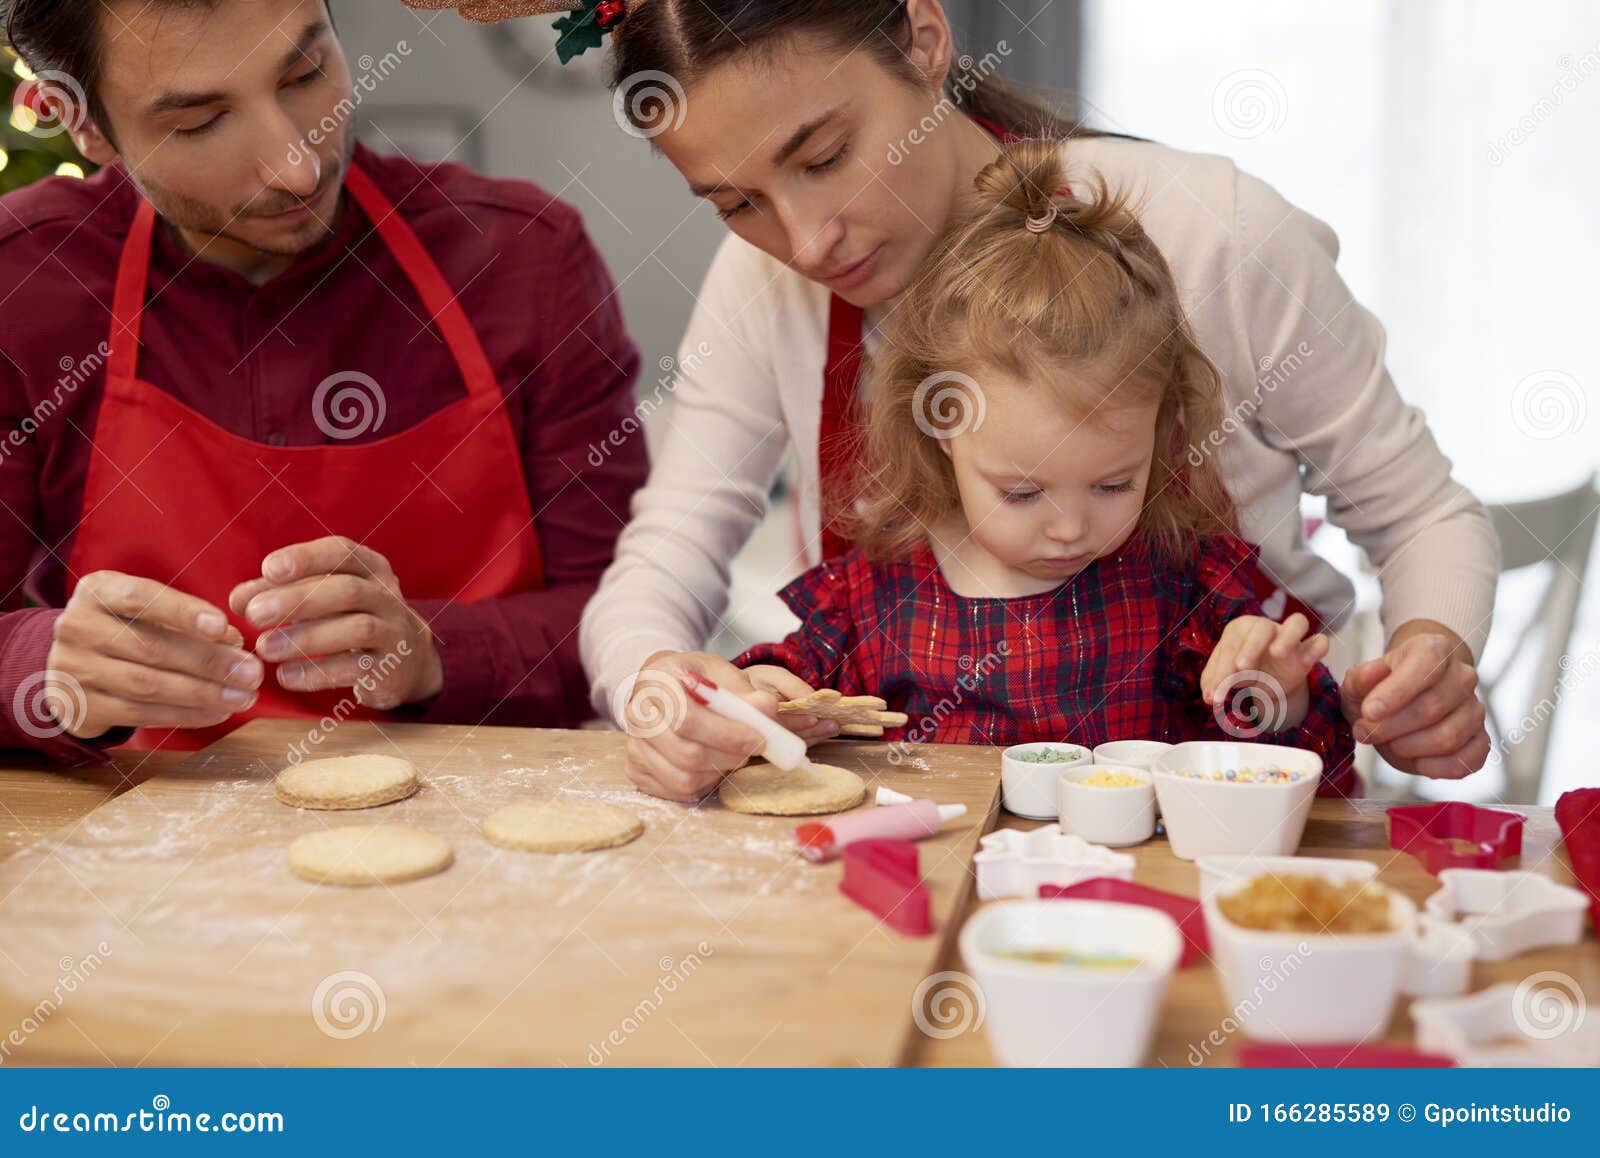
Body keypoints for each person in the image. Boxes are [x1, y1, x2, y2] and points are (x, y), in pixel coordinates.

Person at [553, 0, 1495, 801]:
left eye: (826, 156)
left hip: (1219, 822)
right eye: (736, 203)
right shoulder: (763, 292)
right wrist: (661, 691)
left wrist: (1429, 655)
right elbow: (662, 561)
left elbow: (1420, 513)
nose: (805, 244)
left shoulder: (1219, 234)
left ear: (925, 37)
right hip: (914, 831)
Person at [0, 0, 646, 762]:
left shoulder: (526, 262)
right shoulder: (24, 283)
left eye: (306, 73)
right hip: (146, 833)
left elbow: (629, 620)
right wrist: (40, 664)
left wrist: (433, 651)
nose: (297, 165)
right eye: (201, 122)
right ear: (87, 128)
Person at [640, 141, 1356, 797]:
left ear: (1164, 431)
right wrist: (759, 701)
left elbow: (1297, 765)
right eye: (1021, 491)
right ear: (941, 433)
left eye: (1114, 483)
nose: (1072, 527)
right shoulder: (876, 596)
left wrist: (1272, 694)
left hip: (1125, 912)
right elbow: (784, 692)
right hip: (928, 902)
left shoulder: (1181, 588)